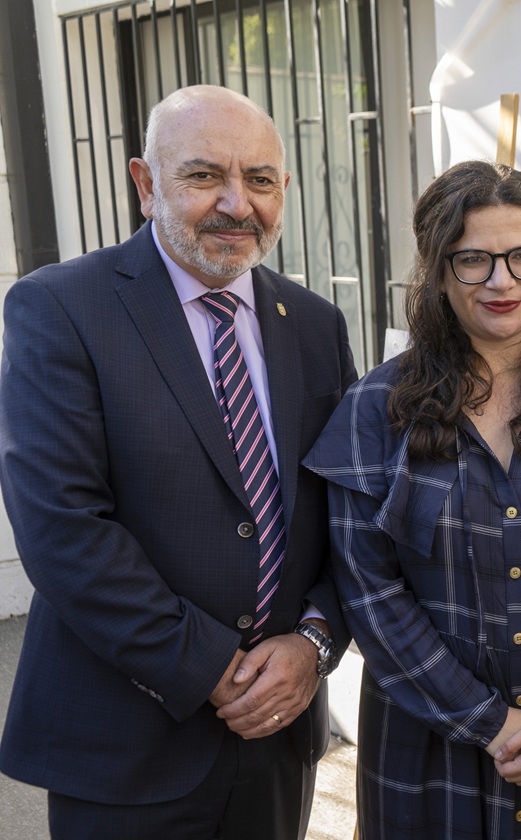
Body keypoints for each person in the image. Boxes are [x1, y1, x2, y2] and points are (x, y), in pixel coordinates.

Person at [0, 85, 357, 839]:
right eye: (203, 176)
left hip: (278, 739)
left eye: (260, 179)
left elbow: (350, 515)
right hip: (127, 743)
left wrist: (314, 644)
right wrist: (211, 669)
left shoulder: (317, 327)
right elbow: (64, 529)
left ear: (284, 189)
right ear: (144, 183)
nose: (237, 203)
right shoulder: (60, 309)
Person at [302, 160, 521, 839]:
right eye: (474, 260)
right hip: (425, 752)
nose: (503, 281)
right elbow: (372, 597)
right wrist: (490, 722)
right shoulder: (374, 411)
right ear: (439, 271)